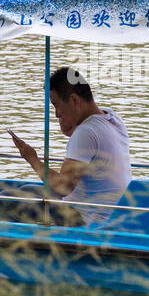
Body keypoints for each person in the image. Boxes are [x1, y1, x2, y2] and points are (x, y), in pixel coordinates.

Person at [9, 68, 131, 226]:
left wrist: (32, 159)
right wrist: (68, 124)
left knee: (8, 200)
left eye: (56, 105)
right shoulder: (112, 118)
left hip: (86, 218)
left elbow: (62, 187)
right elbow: (82, 137)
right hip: (111, 211)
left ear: (74, 100)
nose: (56, 114)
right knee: (28, 189)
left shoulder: (86, 132)